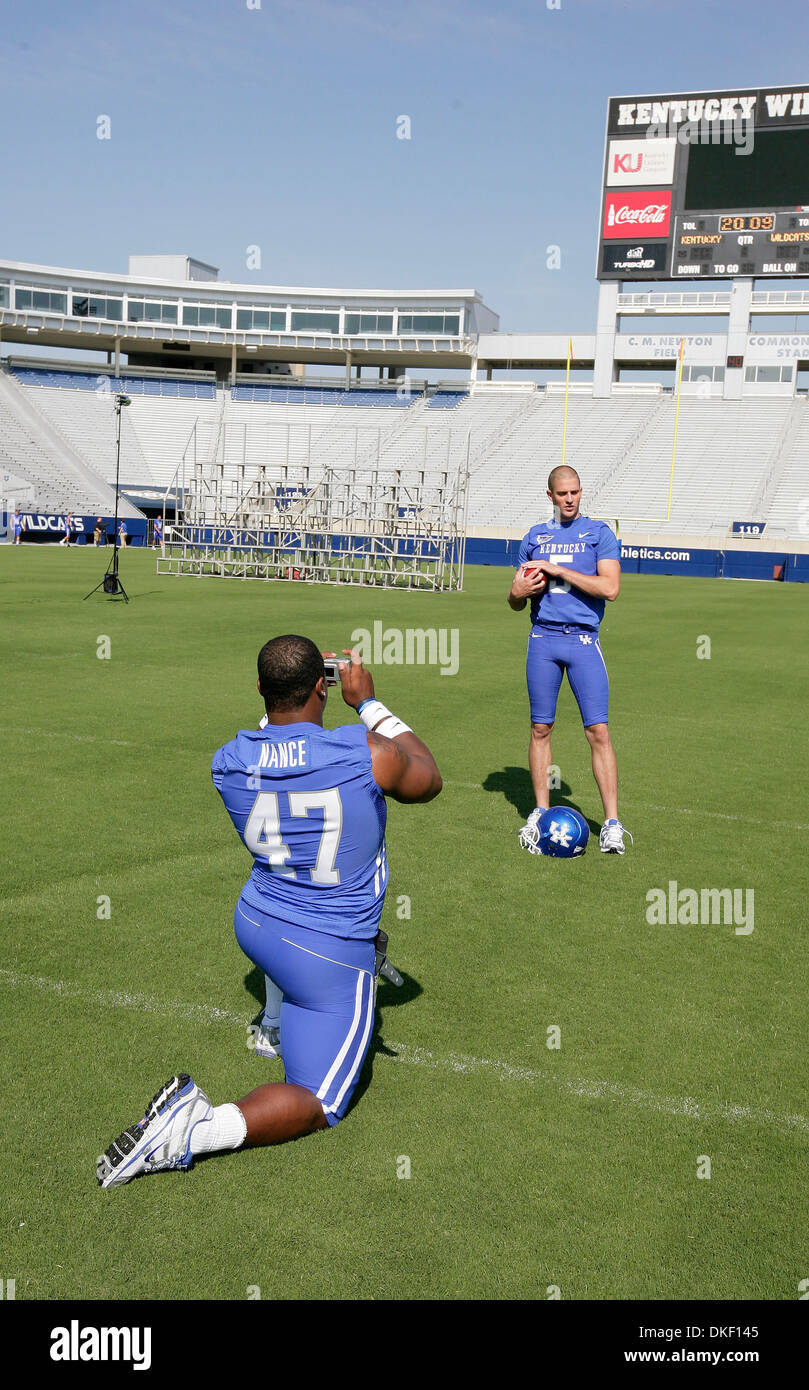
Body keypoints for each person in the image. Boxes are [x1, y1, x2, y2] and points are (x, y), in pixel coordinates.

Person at [96, 635, 442, 1187]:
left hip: (257, 922)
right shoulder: (363, 751)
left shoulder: (228, 761)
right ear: (322, 689)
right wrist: (369, 703)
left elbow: (273, 740)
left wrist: (288, 693)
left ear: (260, 690)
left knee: (291, 918)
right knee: (319, 1099)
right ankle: (194, 1130)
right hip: (326, 946)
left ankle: (275, 1021)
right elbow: (428, 777)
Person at [508, 465, 632, 855]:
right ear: (550, 496)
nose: (570, 499)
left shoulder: (598, 534)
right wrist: (515, 590)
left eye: (575, 492)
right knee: (540, 729)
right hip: (542, 639)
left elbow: (610, 588)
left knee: (598, 732)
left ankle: (611, 823)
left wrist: (558, 569)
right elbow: (516, 602)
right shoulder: (534, 537)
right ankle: (541, 813)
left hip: (583, 641)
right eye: (562, 494)